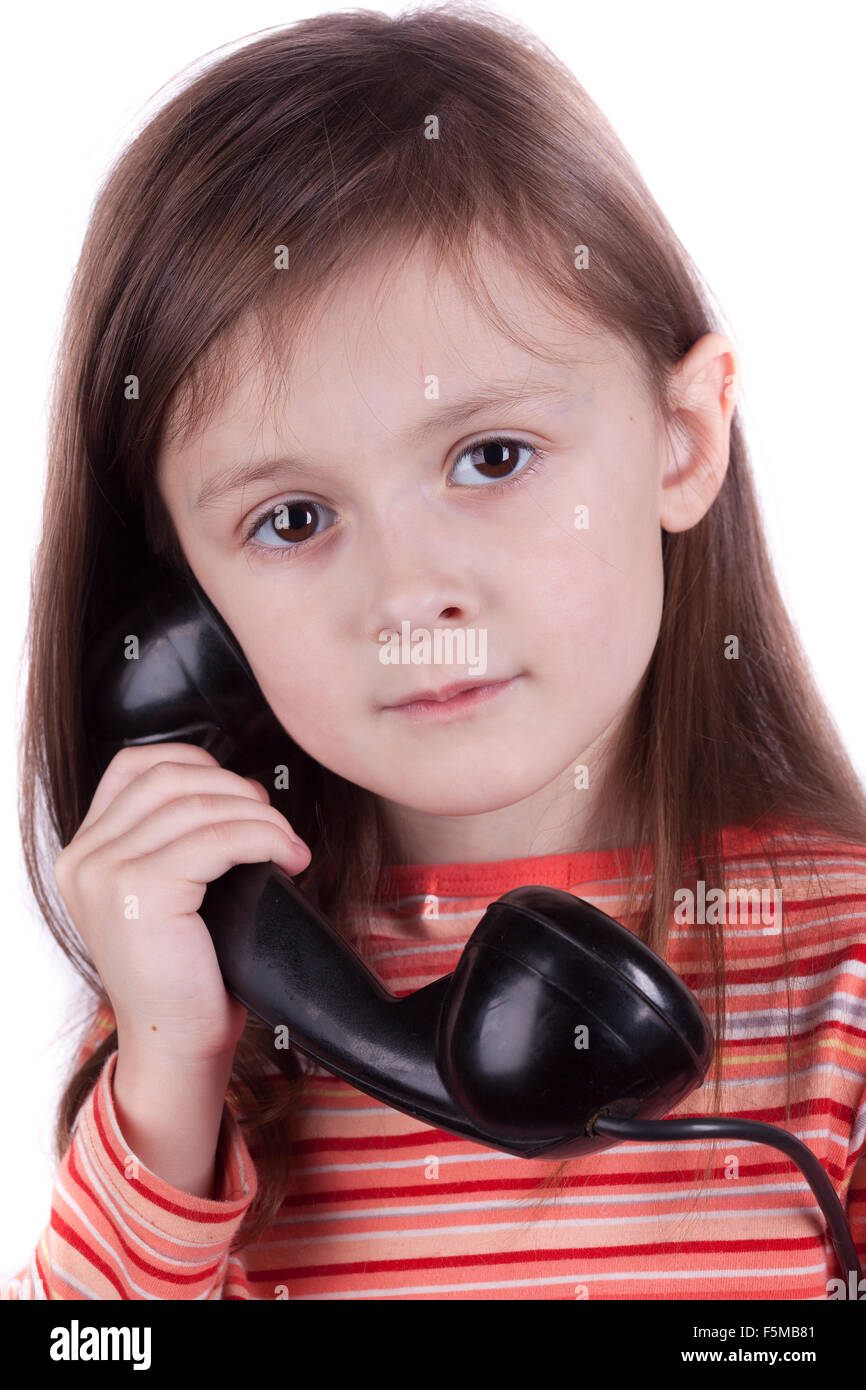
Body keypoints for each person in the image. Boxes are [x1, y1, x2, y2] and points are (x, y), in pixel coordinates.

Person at [4, 5, 865, 1301]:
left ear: (681, 438)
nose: (411, 594)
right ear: (182, 618)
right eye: (291, 518)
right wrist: (170, 1075)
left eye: (491, 457)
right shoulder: (199, 1009)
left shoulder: (847, 972)